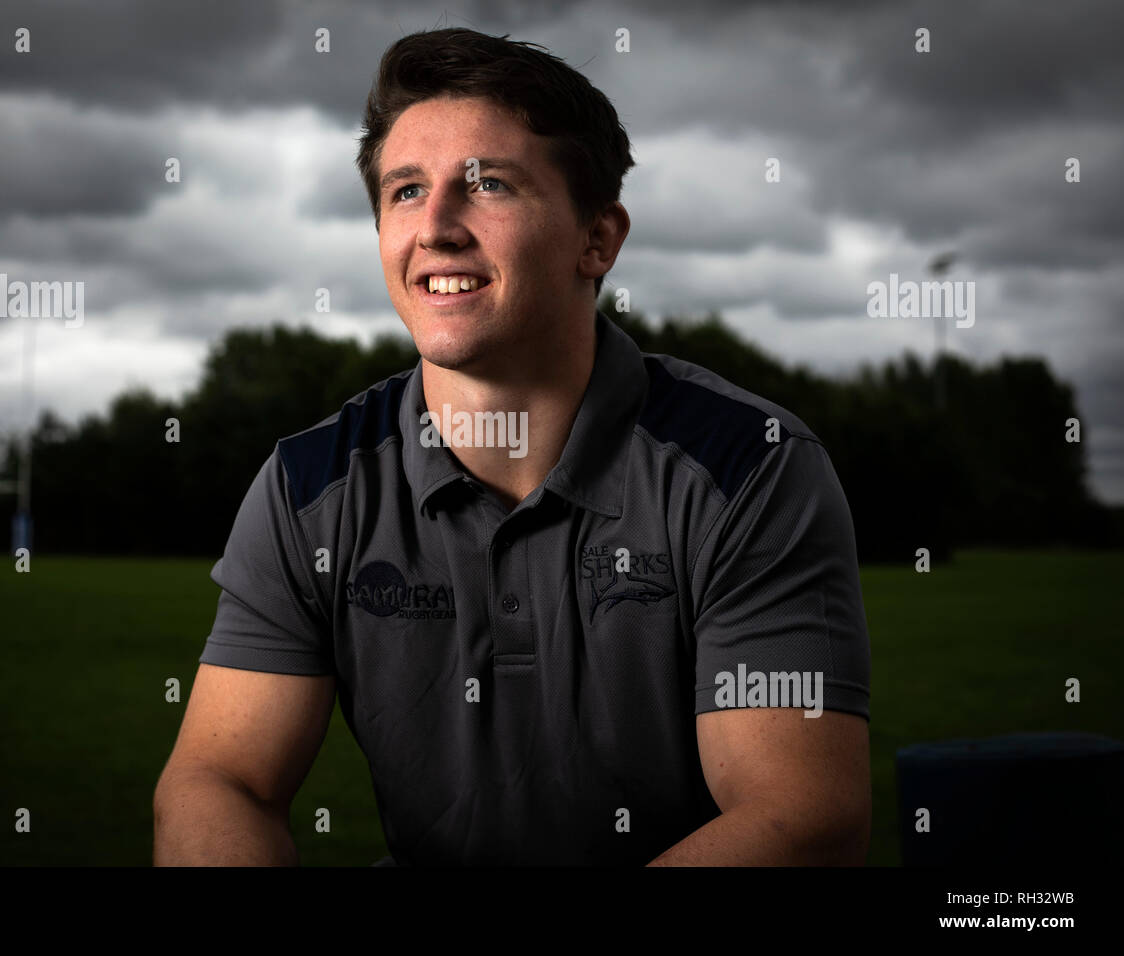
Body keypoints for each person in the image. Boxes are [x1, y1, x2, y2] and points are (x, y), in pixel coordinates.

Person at [153, 27, 871, 866]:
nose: (436, 228)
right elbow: (217, 781)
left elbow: (799, 817)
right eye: (405, 191)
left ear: (597, 240)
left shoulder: (751, 467)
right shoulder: (307, 487)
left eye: (488, 183)